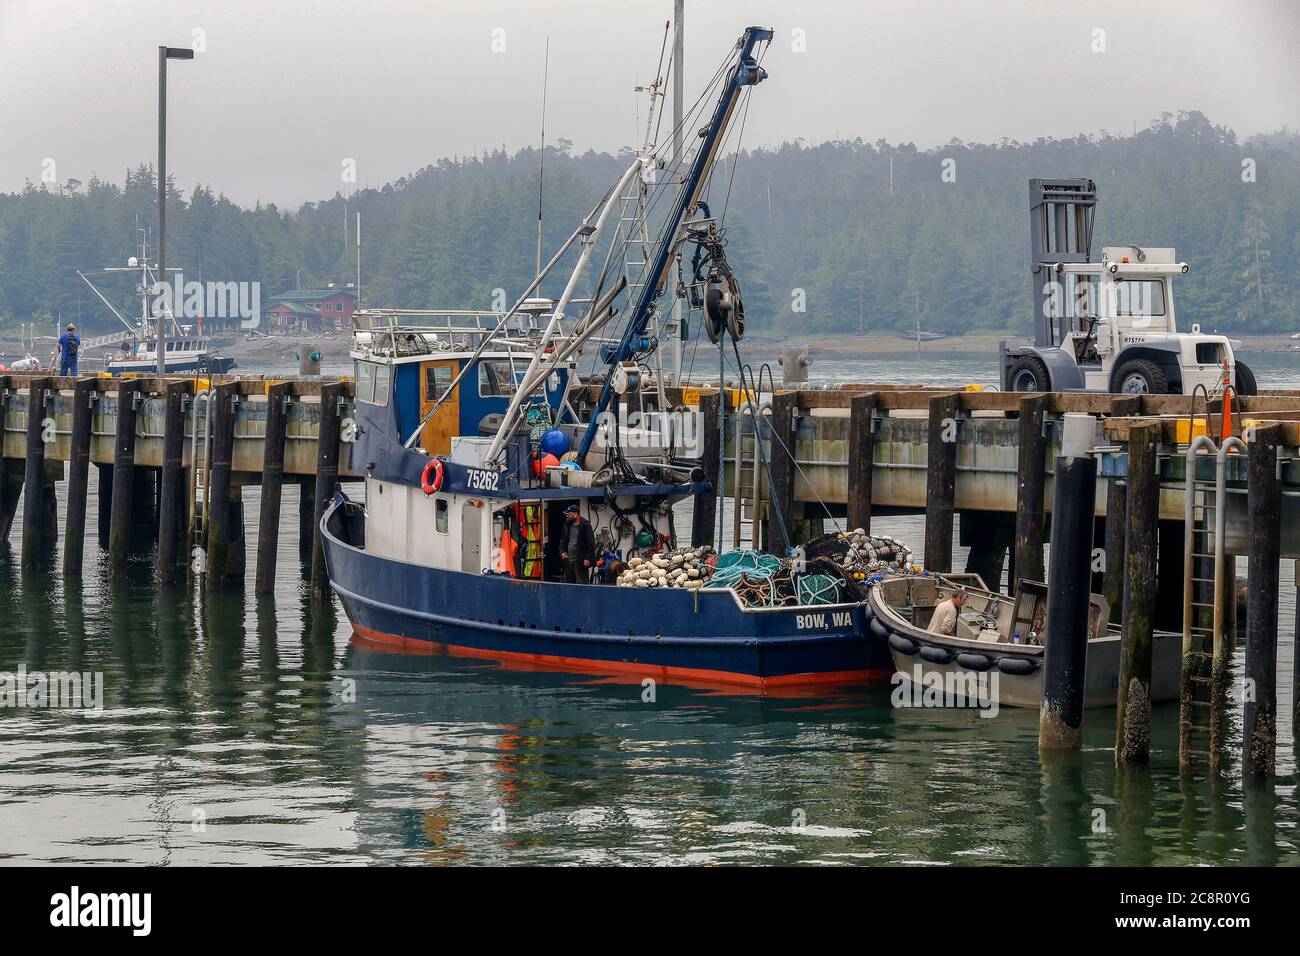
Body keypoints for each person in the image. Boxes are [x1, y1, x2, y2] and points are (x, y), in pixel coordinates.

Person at [559, 504, 595, 584]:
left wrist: (588, 558)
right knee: (568, 586)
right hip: (568, 561)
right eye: (566, 514)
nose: (567, 516)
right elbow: (562, 541)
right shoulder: (567, 525)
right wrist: (562, 552)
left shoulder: (585, 525)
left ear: (575, 514)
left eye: (569, 514)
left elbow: (591, 544)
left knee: (582, 586)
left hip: (580, 562)